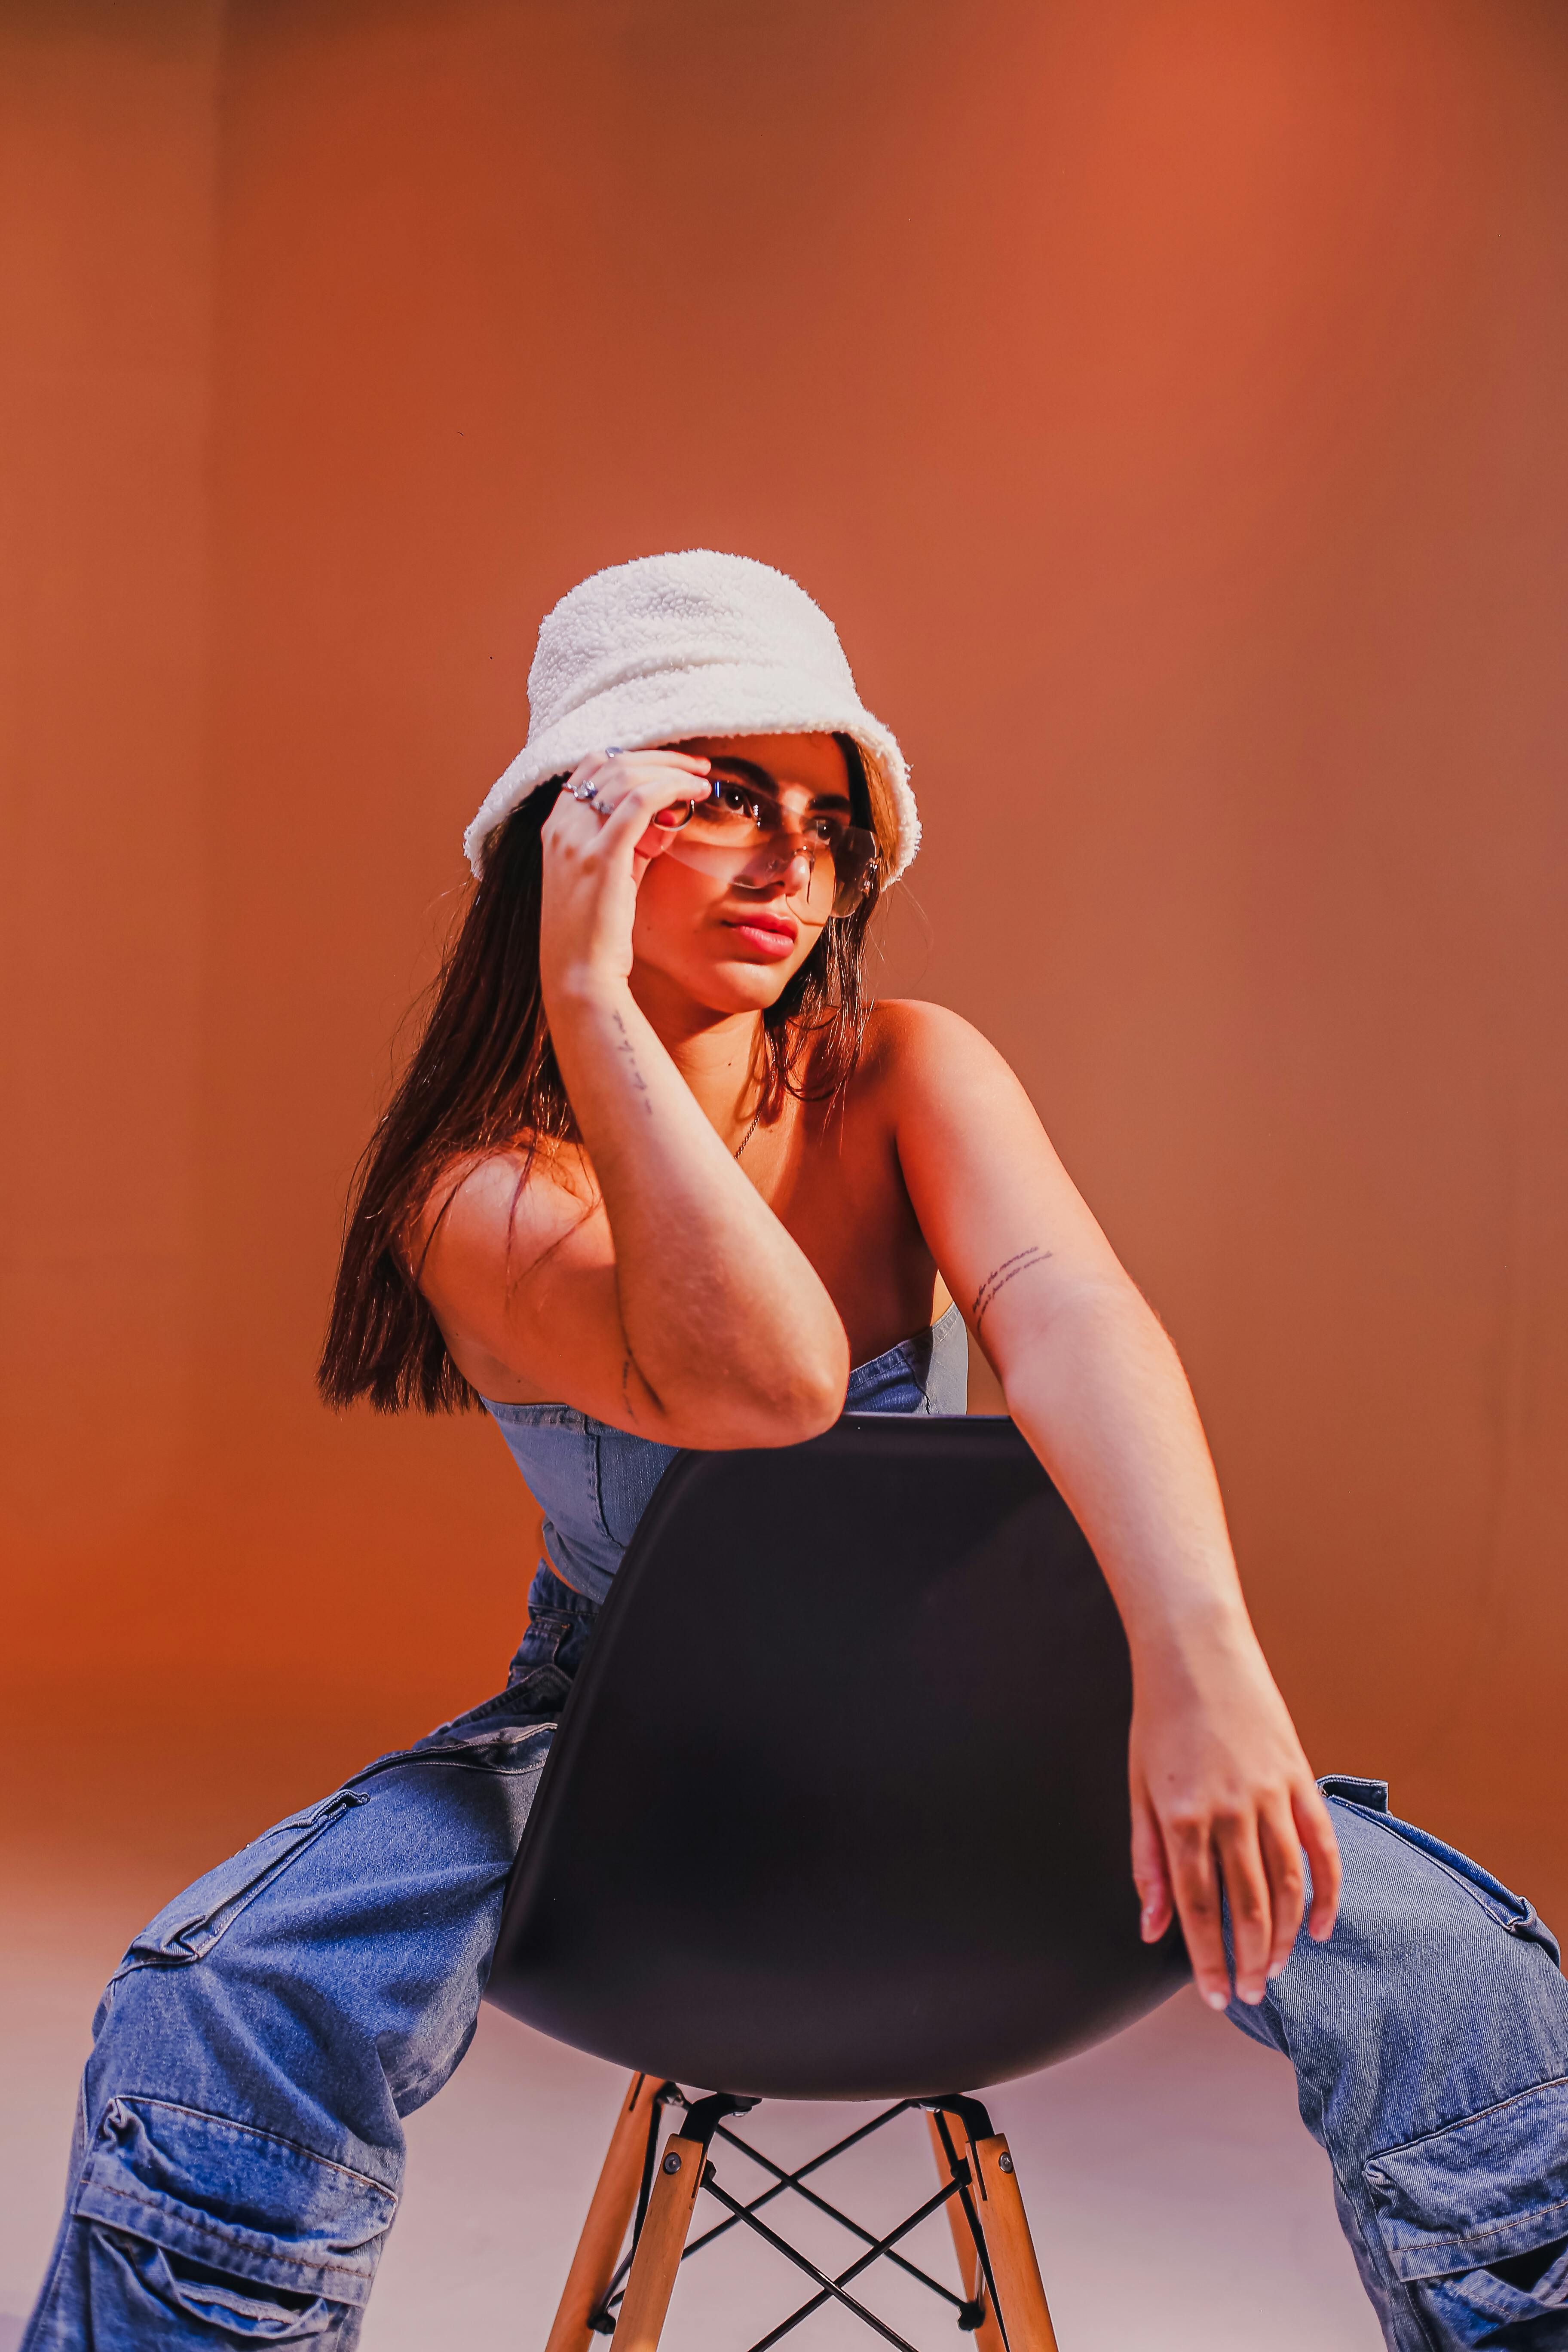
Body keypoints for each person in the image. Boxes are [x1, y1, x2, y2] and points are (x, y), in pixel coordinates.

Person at [22, 551, 1568, 2351]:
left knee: (1469, 1968)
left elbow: (1068, 1305)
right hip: (620, 1781)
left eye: (827, 819)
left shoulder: (903, 1072)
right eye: (724, 798)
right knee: (222, 1997)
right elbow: (768, 1390)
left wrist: (1198, 1664)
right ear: (575, 831)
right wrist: (595, 1013)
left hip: (979, 1745)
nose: (791, 860)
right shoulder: (484, 1192)